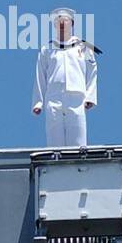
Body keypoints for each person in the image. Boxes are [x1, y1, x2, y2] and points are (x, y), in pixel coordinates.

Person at [32, 8, 99, 147]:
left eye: (65, 21)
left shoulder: (83, 47)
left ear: (72, 24)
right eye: (58, 22)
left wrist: (90, 97)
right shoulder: (47, 49)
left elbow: (92, 71)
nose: (62, 24)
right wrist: (38, 102)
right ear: (55, 25)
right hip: (53, 98)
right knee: (54, 140)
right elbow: (40, 76)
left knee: (78, 141)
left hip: (76, 98)